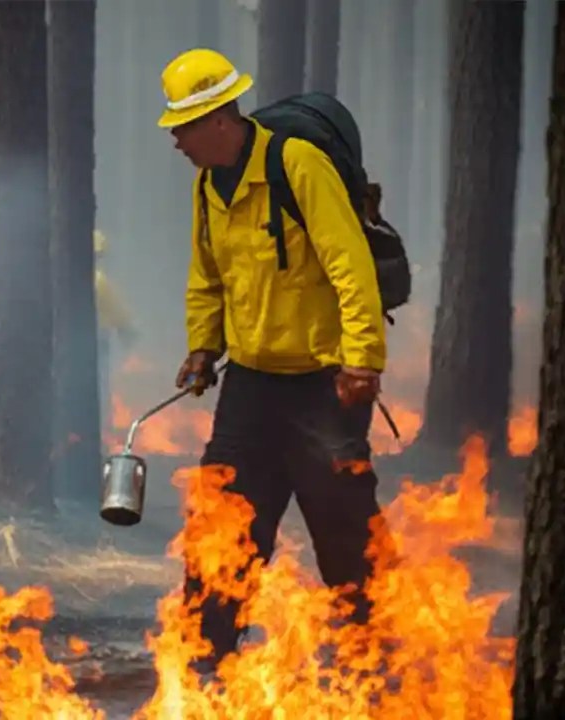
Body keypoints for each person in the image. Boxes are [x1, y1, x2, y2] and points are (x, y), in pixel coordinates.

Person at [157, 48, 393, 668]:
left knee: (342, 528)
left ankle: (370, 658)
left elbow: (350, 263)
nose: (176, 142)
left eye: (181, 127)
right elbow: (206, 276)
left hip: (325, 387)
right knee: (223, 521)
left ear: (216, 120)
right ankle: (205, 657)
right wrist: (204, 346)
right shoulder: (208, 185)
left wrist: (363, 358)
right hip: (252, 388)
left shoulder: (297, 164)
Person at [93, 229, 137, 423]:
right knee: (98, 386)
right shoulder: (98, 280)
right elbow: (121, 316)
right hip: (96, 344)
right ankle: (102, 425)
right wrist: (128, 335)